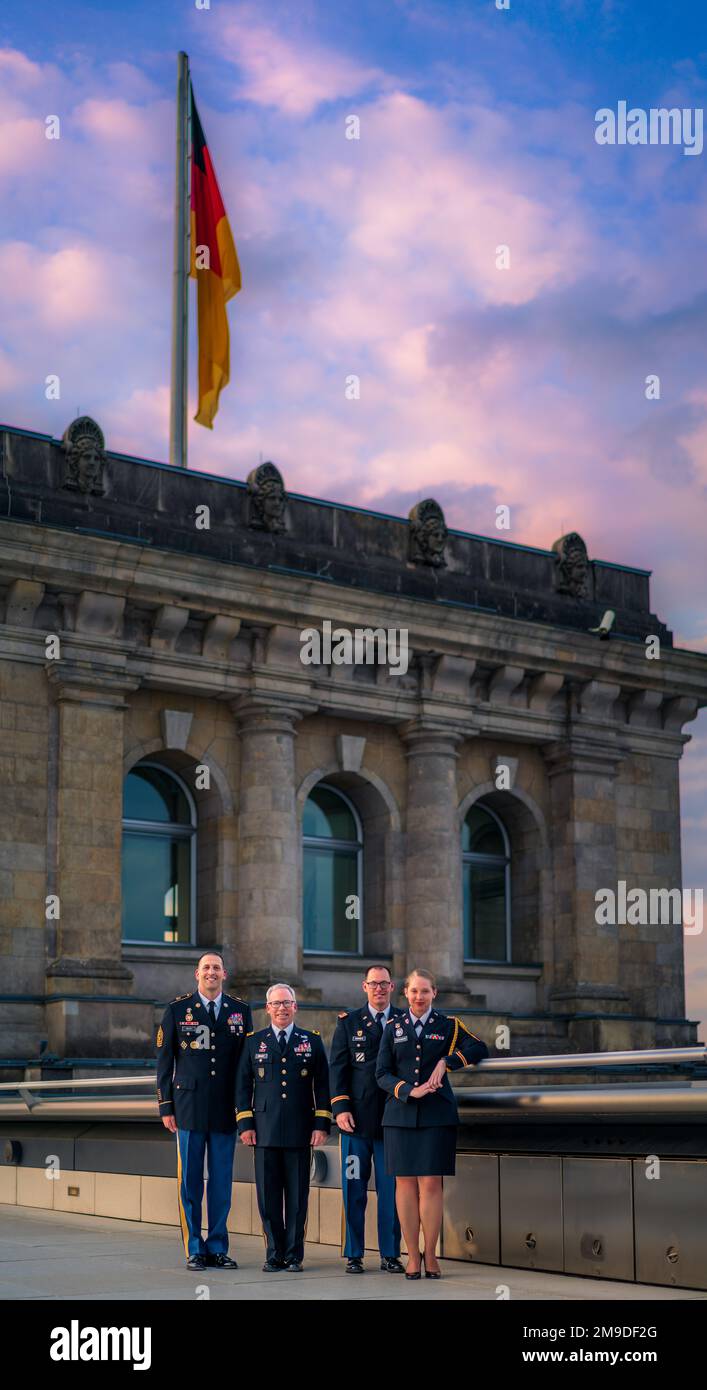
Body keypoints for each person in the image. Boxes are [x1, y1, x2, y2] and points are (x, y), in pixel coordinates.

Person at [375, 967, 488, 1279]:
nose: (419, 997)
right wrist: (410, 1090)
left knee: (431, 1184)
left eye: (425, 991)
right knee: (405, 1184)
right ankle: (412, 1256)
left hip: (437, 1115)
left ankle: (432, 1254)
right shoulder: (393, 1026)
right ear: (406, 993)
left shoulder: (449, 1026)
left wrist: (446, 1062)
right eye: (414, 991)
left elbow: (480, 1047)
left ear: (434, 993)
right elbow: (382, 1073)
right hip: (400, 1114)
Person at [156, 951, 252, 1272]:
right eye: (206, 968)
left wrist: (245, 1109)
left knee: (222, 1182)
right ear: (196, 974)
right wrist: (165, 1104)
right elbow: (164, 1062)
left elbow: (244, 1066)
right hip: (188, 1108)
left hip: (225, 1109)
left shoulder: (240, 1010)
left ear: (225, 974)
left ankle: (218, 1247)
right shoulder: (177, 1009)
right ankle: (194, 1247)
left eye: (216, 968)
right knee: (191, 1181)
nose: (211, 972)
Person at [236, 983, 331, 1272]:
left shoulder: (311, 1041)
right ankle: (273, 1253)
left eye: (287, 1003)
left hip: (301, 1130)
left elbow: (323, 1086)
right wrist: (245, 1124)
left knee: (297, 1198)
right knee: (268, 1198)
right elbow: (242, 1085)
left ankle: (294, 1255)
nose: (281, 1008)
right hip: (263, 1130)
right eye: (276, 1003)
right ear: (267, 1008)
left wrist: (321, 1124)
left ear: (295, 1007)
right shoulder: (254, 1042)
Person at [329, 963, 405, 1273]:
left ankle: (390, 1254)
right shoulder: (349, 1023)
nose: (379, 988)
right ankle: (354, 1254)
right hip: (355, 1123)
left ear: (392, 987)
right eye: (373, 984)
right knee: (353, 1190)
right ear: (364, 987)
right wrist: (340, 1108)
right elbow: (338, 1069)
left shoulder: (404, 1021)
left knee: (391, 1194)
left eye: (384, 984)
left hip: (393, 1123)